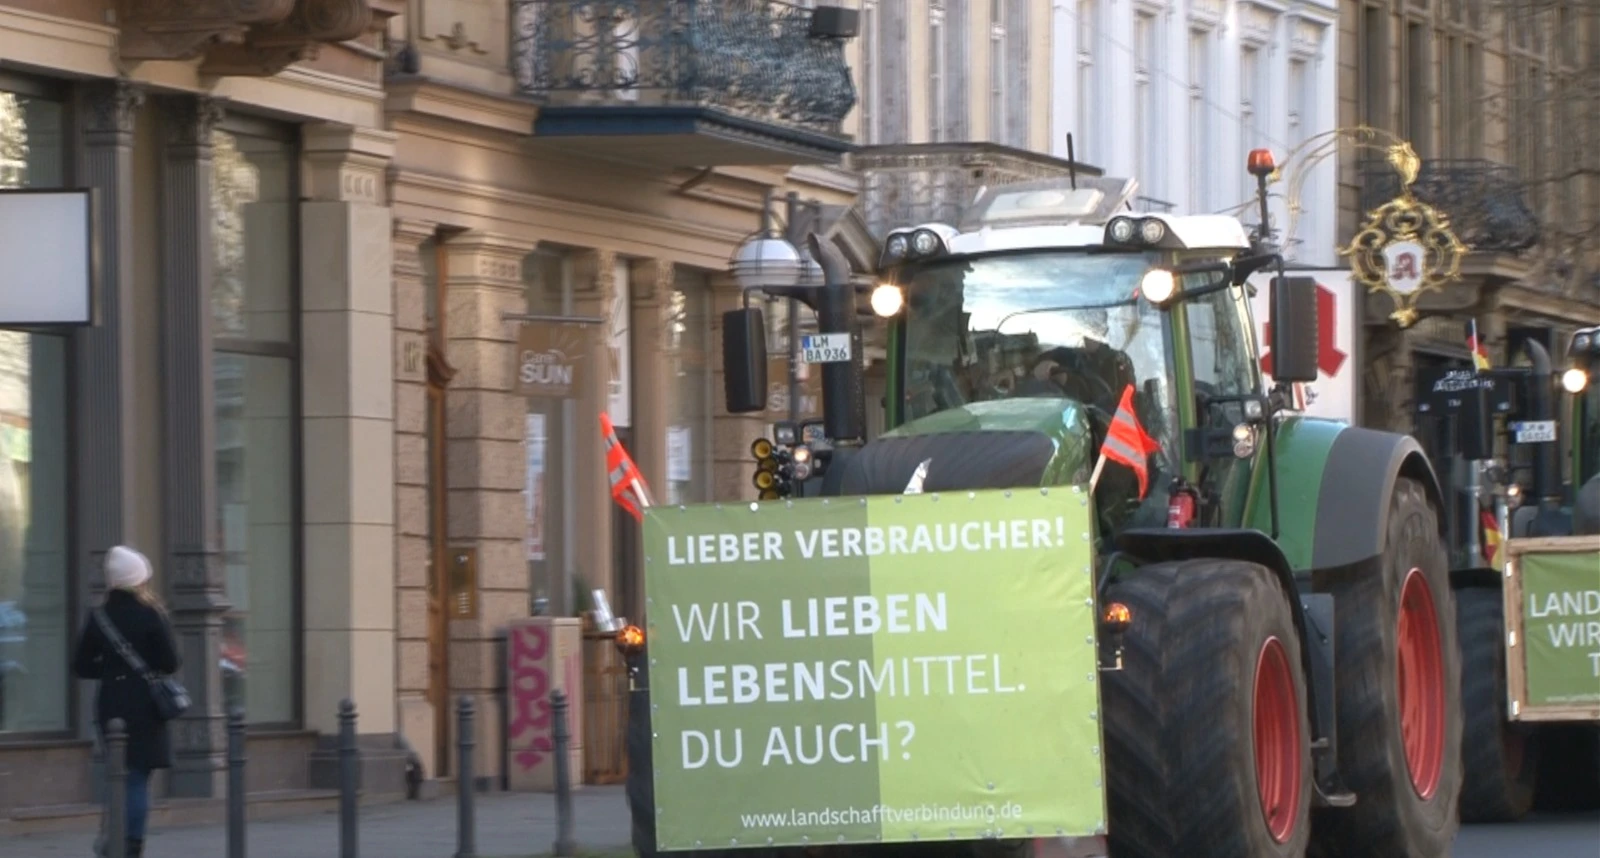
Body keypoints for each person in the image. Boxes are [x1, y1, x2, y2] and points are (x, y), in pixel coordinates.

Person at [72, 545, 182, 858]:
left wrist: (110, 670)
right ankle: (132, 846)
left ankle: (114, 839)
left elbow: (80, 665)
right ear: (140, 579)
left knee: (120, 774)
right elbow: (171, 662)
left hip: (111, 703)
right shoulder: (151, 613)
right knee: (137, 778)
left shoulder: (99, 616)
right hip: (145, 705)